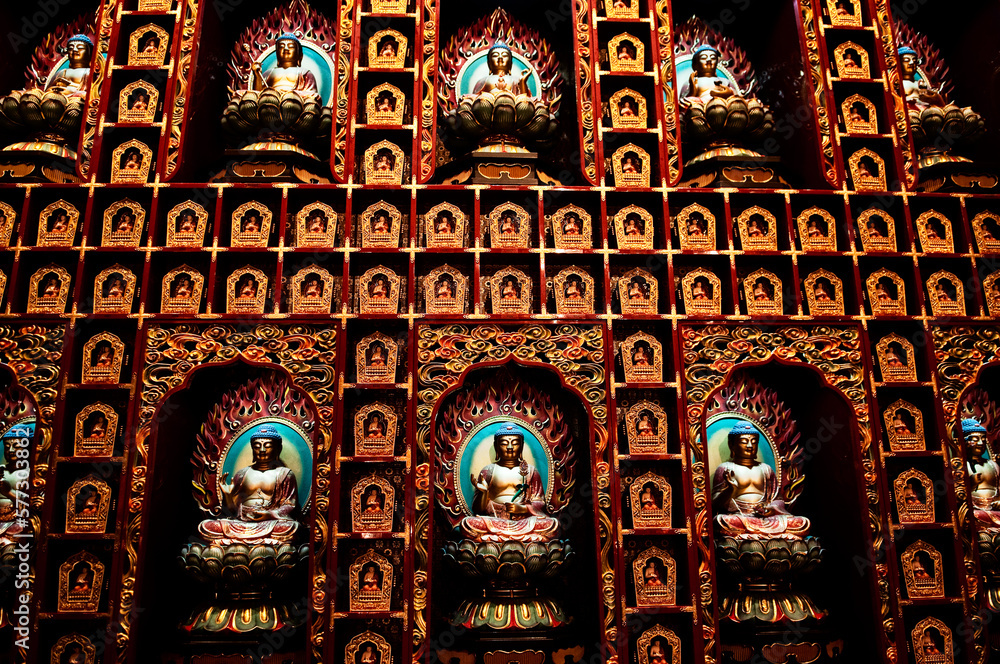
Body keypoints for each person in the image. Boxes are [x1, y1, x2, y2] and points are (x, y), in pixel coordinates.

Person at [197, 424, 300, 545]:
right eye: (257, 446)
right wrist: (228, 496)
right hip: (241, 524)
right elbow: (232, 512)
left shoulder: (285, 474)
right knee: (206, 526)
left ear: (278, 449)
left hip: (270, 524)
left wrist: (268, 515)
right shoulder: (241, 474)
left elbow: (290, 505)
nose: (262, 450)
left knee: (293, 527)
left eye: (267, 446)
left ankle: (233, 545)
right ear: (252, 449)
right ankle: (265, 545)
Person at [459, 422, 561, 542]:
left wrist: (523, 509)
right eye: (504, 443)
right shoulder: (488, 471)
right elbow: (478, 510)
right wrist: (483, 493)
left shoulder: (531, 471)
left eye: (515, 443)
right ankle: (527, 541)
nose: (510, 447)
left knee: (553, 525)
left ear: (521, 447)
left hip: (524, 521)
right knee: (467, 523)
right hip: (494, 520)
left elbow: (540, 502)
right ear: (496, 447)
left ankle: (494, 540)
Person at [711, 422, 811, 538]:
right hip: (740, 517)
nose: (749, 446)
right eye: (744, 442)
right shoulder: (726, 468)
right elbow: (715, 504)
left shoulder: (765, 469)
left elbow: (778, 500)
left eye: (753, 442)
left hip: (766, 519)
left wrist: (771, 509)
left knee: (803, 523)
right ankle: (775, 538)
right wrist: (729, 489)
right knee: (721, 521)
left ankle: (755, 537)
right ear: (732, 445)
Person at [246, 33, 319, 101]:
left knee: (314, 96)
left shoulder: (305, 73)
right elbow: (257, 94)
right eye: (281, 46)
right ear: (277, 53)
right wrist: (257, 75)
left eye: (291, 46)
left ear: (300, 55)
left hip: (294, 104)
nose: (286, 49)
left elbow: (312, 94)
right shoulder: (269, 72)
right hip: (271, 103)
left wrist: (290, 94)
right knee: (240, 94)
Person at [965, 418, 1000, 528]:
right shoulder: (961, 465)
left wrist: (998, 501)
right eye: (974, 439)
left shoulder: (993, 465)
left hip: (994, 508)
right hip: (975, 511)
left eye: (983, 439)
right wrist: (969, 484)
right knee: (971, 516)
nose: (980, 443)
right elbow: (955, 495)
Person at [44, 35, 94, 99]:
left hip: (76, 104)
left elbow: (95, 95)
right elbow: (46, 93)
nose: (74, 50)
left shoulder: (91, 72)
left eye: (80, 48)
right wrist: (56, 89)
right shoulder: (61, 73)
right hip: (55, 103)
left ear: (89, 53)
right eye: (70, 48)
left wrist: (73, 92)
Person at [898, 46, 946, 111]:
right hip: (909, 114)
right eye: (906, 60)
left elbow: (935, 101)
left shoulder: (921, 83)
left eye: (914, 60)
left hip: (928, 113)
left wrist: (937, 99)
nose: (912, 63)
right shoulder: (897, 83)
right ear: (898, 63)